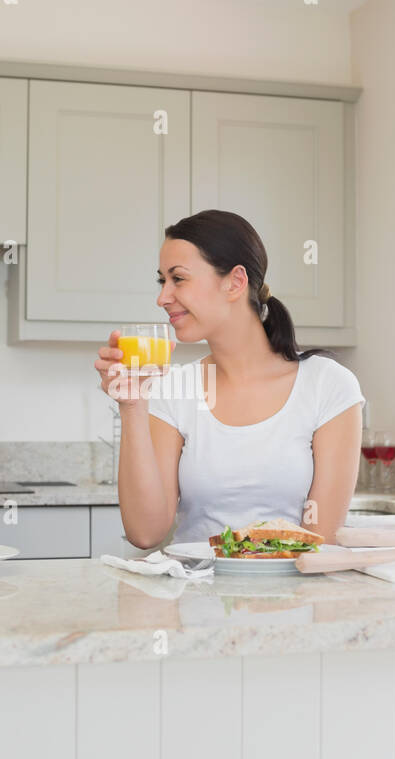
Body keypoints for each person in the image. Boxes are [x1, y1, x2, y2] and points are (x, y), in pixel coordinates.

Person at [95, 210, 364, 547]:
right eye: (162, 281)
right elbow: (145, 533)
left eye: (178, 279)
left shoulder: (329, 385)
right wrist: (132, 407)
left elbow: (320, 539)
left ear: (235, 282)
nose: (162, 297)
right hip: (194, 595)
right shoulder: (173, 388)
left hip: (291, 595)